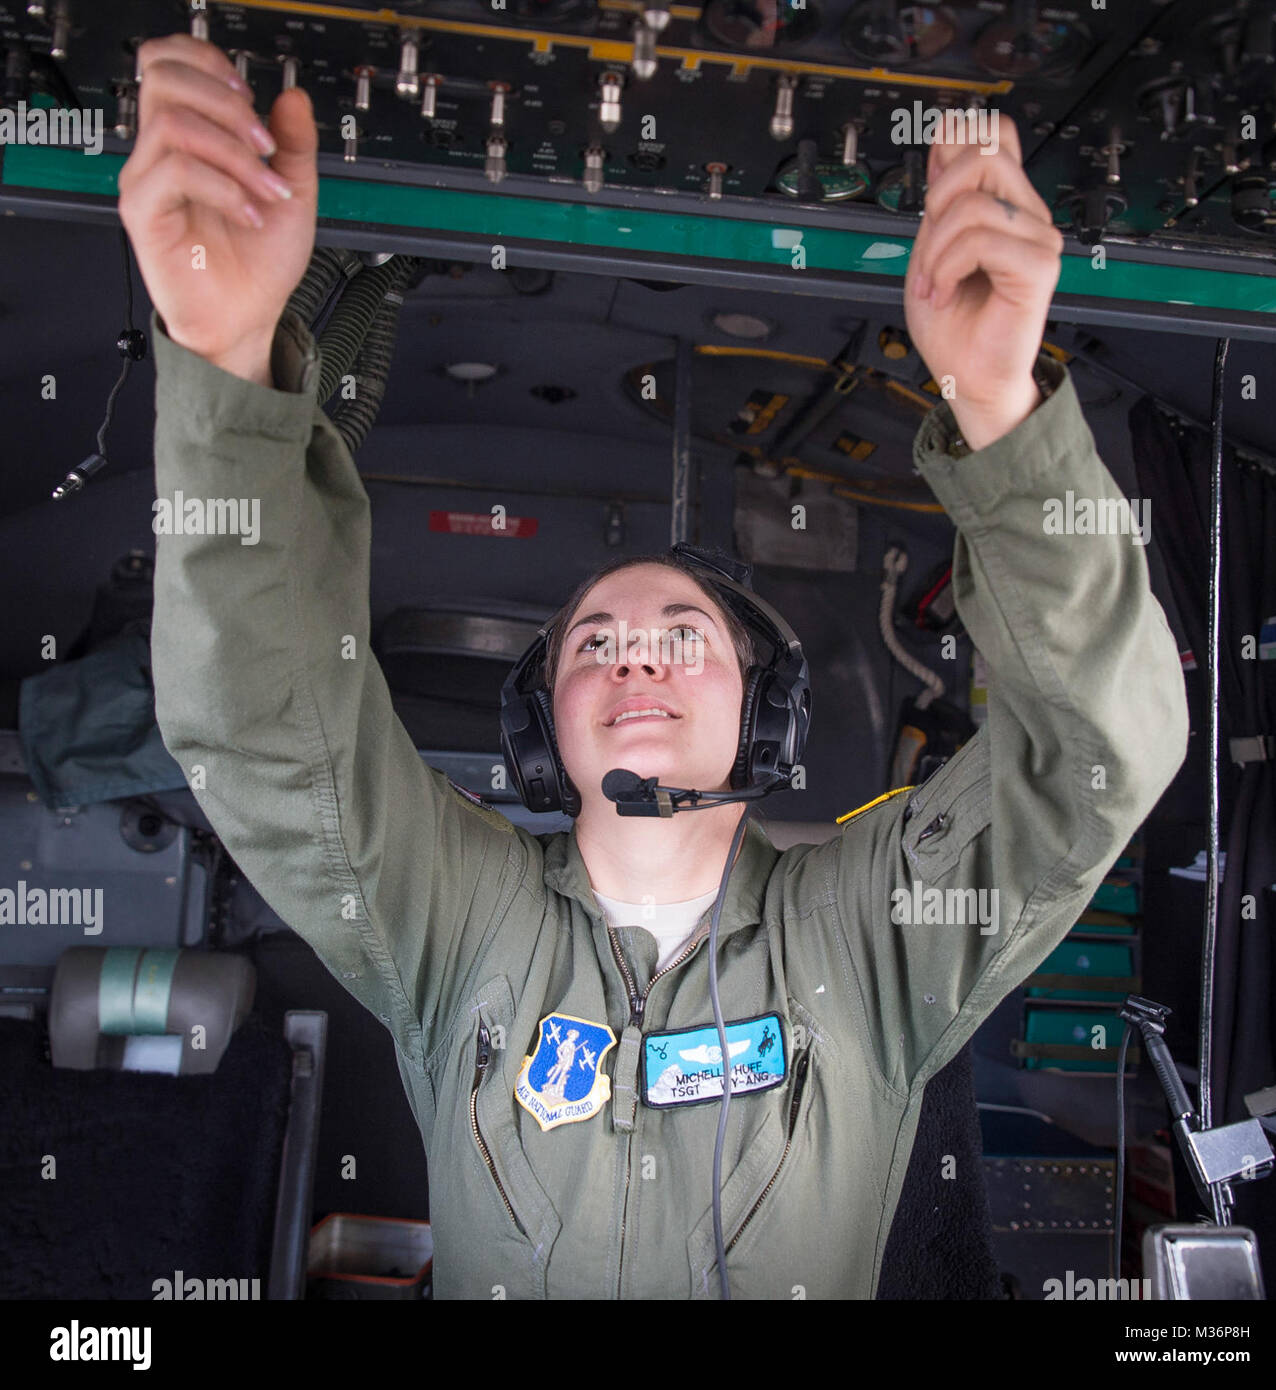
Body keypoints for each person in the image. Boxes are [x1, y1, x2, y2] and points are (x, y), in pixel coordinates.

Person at [120, 33, 1189, 1298]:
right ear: (542, 729)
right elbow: (261, 735)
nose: (638, 655)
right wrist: (227, 367)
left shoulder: (870, 939)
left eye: (686, 636)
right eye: (594, 642)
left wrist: (999, 403)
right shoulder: (453, 921)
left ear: (766, 719)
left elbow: (1102, 755)